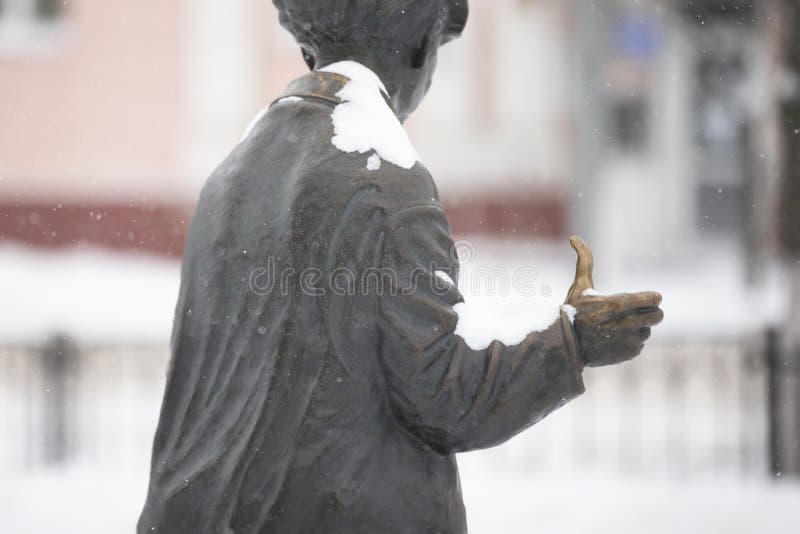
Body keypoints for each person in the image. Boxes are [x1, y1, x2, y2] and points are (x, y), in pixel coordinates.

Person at [138, 1, 663, 532]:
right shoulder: (384, 178)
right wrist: (574, 341)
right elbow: (443, 397)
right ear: (418, 49)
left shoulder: (229, 177)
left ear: (308, 49)